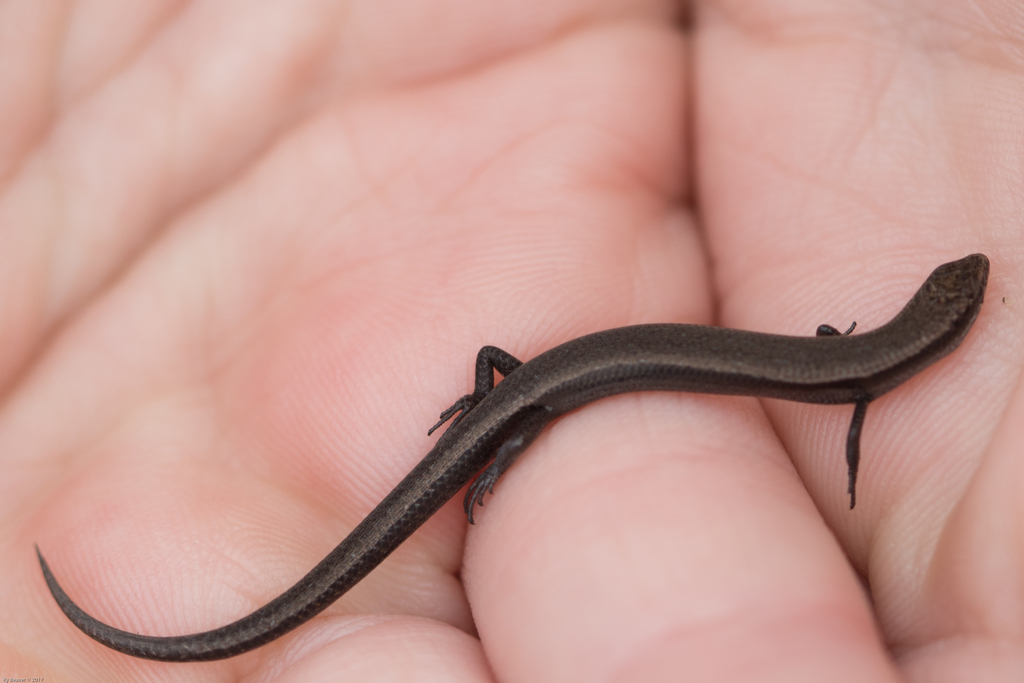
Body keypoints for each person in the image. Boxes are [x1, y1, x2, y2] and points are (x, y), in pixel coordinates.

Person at [1, 2, 1020, 680]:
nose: (967, 294)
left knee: (506, 396)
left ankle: (493, 433)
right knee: (505, 416)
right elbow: (837, 355)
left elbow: (834, 343)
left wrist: (493, 418)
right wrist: (493, 437)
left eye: (958, 302)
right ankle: (492, 441)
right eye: (958, 301)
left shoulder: (853, 369)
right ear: (917, 345)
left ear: (914, 340)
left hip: (528, 387)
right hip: (527, 398)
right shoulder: (853, 385)